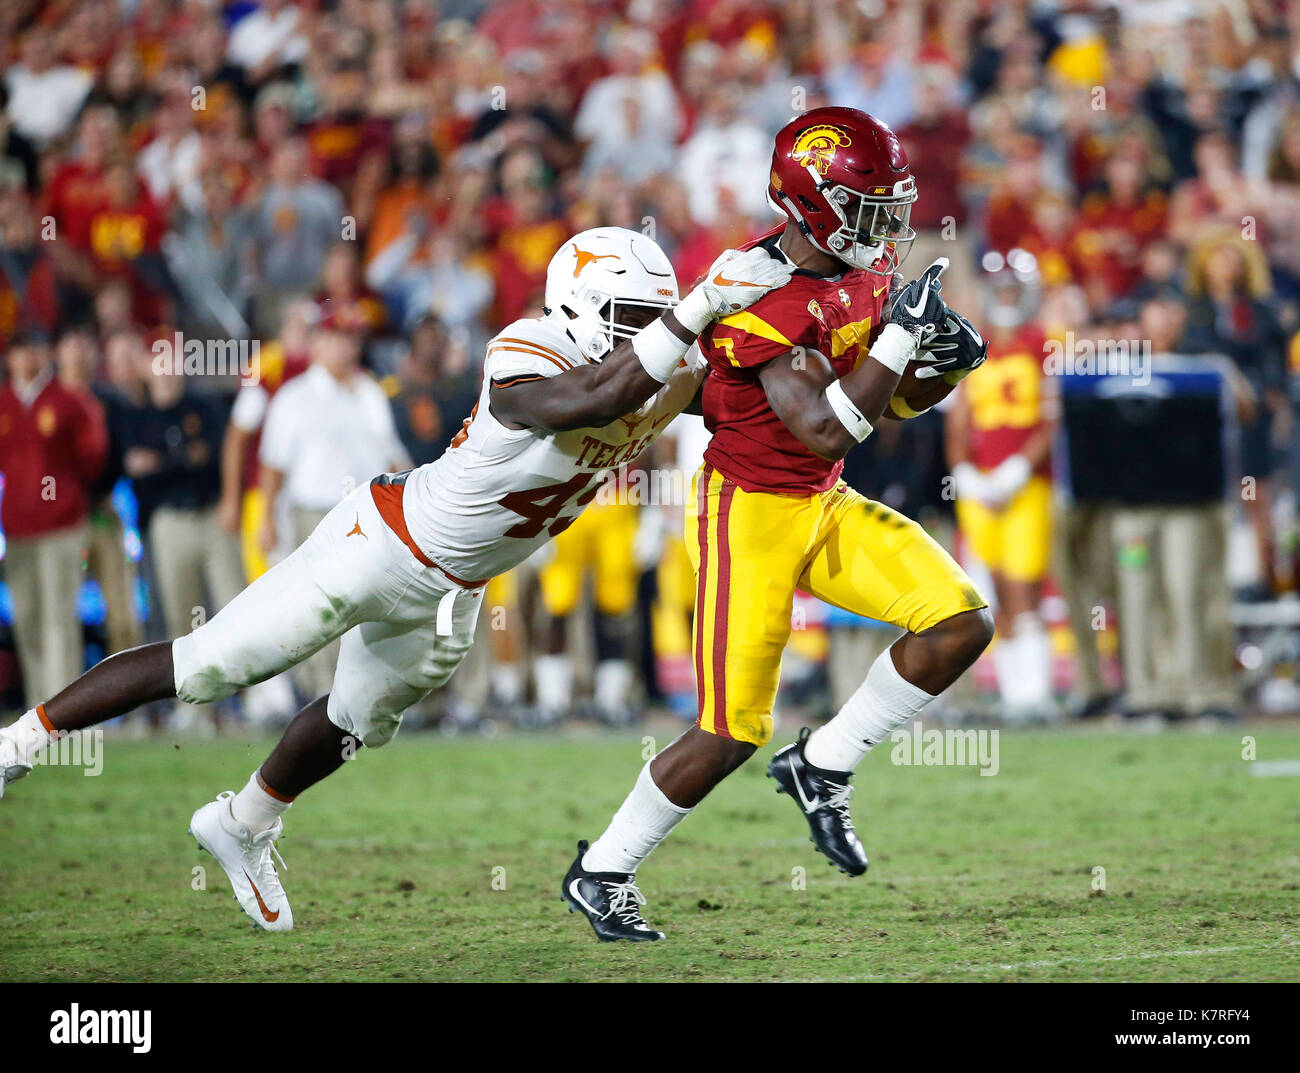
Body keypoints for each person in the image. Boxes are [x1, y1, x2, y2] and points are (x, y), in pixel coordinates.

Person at [0, 228, 793, 934]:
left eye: (657, 317)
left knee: (354, 719)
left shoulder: (664, 367)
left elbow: (749, 390)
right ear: (580, 309)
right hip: (381, 540)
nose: (650, 333)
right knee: (211, 665)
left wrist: (831, 309)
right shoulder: (529, 348)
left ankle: (243, 822)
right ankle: (20, 740)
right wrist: (691, 314)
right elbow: (586, 398)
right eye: (635, 317)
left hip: (457, 592)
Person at [563, 108, 994, 942]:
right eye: (872, 208)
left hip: (821, 500)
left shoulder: (857, 274)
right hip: (747, 512)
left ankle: (824, 761)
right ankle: (602, 868)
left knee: (959, 622)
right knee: (728, 731)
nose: (889, 228)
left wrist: (940, 367)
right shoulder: (757, 291)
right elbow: (828, 426)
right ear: (816, 204)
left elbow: (891, 404)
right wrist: (903, 338)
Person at [946, 254, 1058, 721]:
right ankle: (1017, 697)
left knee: (1023, 585)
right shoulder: (975, 346)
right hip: (981, 485)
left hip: (1026, 485)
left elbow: (1053, 419)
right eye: (1003, 291)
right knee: (991, 588)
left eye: (1016, 291)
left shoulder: (1040, 344)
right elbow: (958, 419)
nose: (1008, 299)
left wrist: (1019, 467)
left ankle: (1037, 694)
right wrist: (963, 471)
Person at [0, 330, 107, 708]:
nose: (27, 357)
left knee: (59, 616)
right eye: (20, 349)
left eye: (33, 348)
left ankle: (62, 711)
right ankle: (36, 706)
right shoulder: (4, 403)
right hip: (17, 531)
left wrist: (70, 496)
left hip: (62, 527)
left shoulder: (67, 400)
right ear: (10, 357)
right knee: (27, 618)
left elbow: (93, 457)